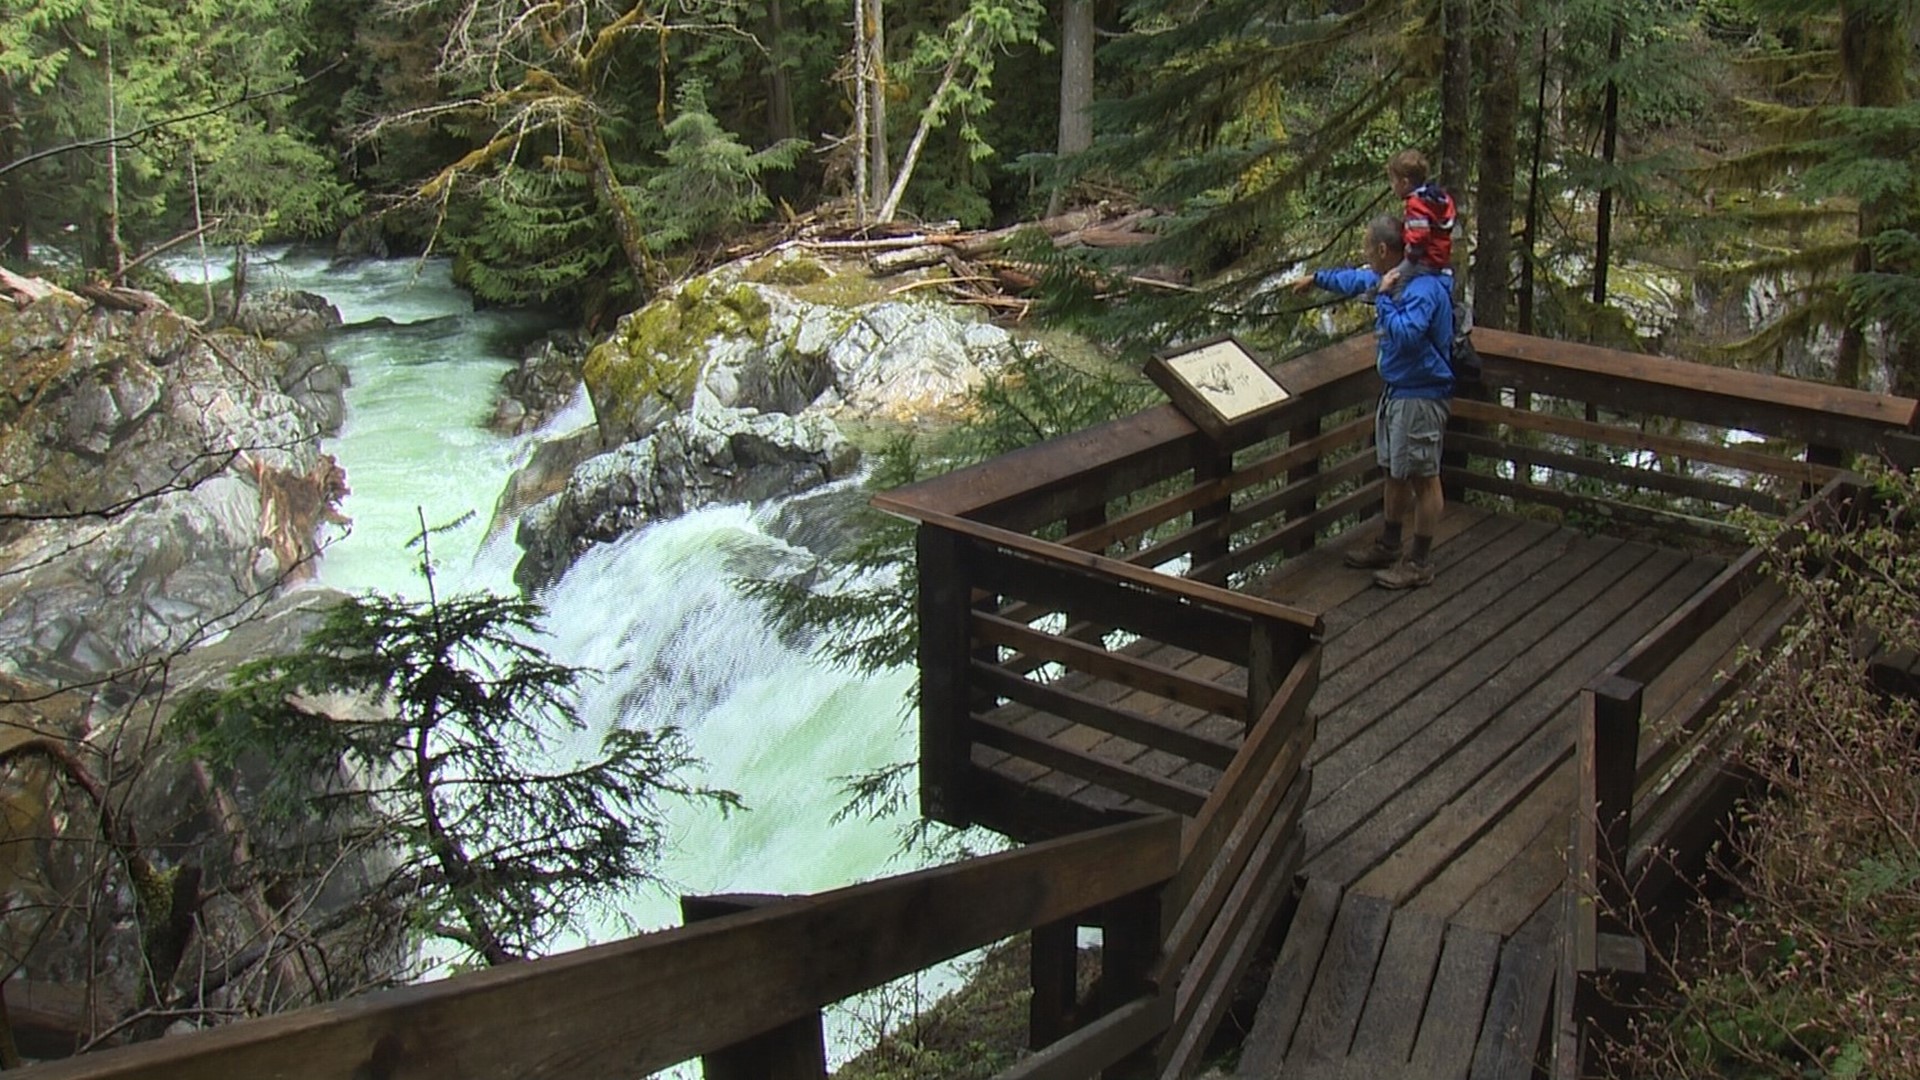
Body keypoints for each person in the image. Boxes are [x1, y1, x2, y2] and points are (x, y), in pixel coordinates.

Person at [1287, 214, 1455, 588]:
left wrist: (1383, 299)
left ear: (1383, 250)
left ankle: (1420, 563)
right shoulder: (1394, 277)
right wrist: (1316, 279)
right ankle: (1390, 544)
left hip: (1422, 393)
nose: (1366, 256)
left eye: (1368, 248)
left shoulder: (1422, 288)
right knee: (1394, 471)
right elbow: (1356, 280)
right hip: (1398, 390)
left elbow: (1408, 335)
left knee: (1424, 477)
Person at [1378, 149, 1455, 296]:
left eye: (1393, 181)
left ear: (1405, 183)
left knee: (1396, 281)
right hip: (1440, 258)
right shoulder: (1437, 198)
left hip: (1425, 259)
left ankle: (1398, 310)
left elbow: (1420, 236)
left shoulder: (1416, 204)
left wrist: (1410, 257)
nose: (1392, 186)